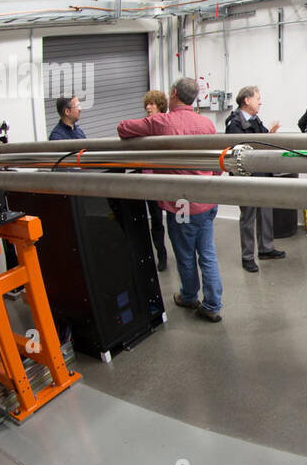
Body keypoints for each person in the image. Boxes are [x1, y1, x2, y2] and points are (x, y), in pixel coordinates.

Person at [117, 77, 223, 323]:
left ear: (174, 94)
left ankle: (188, 296)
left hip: (182, 205)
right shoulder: (206, 123)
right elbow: (217, 162)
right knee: (207, 254)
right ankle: (213, 303)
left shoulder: (161, 122)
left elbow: (123, 128)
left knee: (186, 254)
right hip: (207, 200)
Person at [225, 85, 285, 272]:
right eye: (257, 98)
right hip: (246, 177)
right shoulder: (234, 123)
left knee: (266, 212)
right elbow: (241, 150)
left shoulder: (255, 120)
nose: (260, 102)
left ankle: (266, 249)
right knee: (248, 216)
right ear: (247, 100)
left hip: (261, 173)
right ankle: (247, 257)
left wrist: (271, 134)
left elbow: (262, 141)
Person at [141, 90, 168, 272]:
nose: (148, 107)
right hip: (151, 183)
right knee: (156, 221)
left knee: (178, 220)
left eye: (152, 104)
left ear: (160, 105)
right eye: (147, 104)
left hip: (169, 181)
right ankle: (162, 255)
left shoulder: (168, 125)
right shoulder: (143, 127)